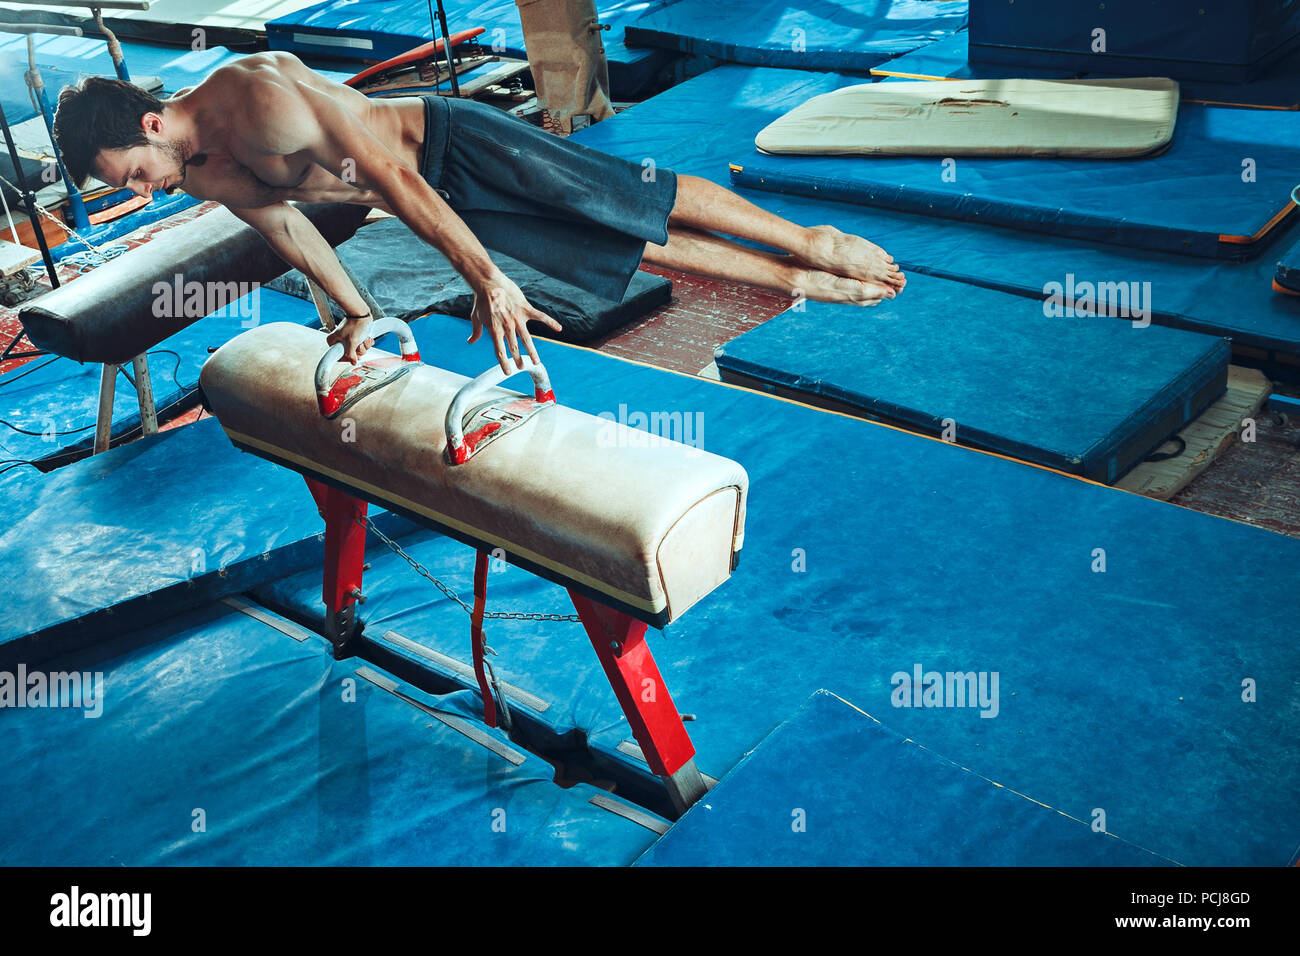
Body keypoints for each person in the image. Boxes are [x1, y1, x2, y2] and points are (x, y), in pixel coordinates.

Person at [52, 52, 905, 373]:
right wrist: (353, 315)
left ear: (152, 125)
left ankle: (811, 239)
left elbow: (393, 181)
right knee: (614, 250)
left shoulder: (256, 100)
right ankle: (788, 276)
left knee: (633, 197)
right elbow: (286, 228)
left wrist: (487, 279)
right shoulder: (195, 171)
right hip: (432, 200)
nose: (139, 194)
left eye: (130, 172)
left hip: (450, 148)